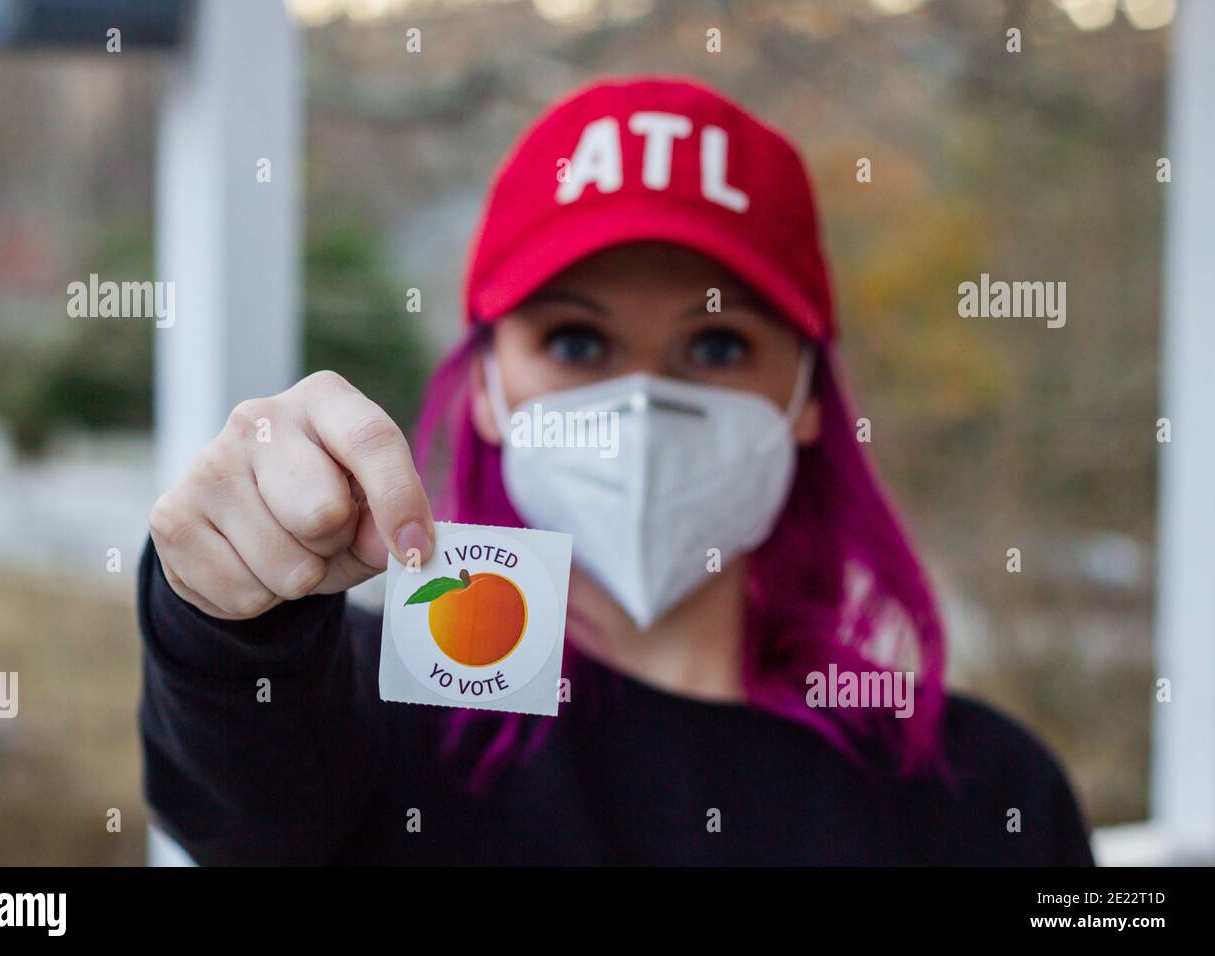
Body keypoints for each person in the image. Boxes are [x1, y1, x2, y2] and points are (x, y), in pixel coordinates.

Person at [138, 76, 1094, 865]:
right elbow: (239, 791)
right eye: (577, 340)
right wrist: (227, 609)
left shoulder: (990, 795)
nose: (642, 403)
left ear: (806, 398)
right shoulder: (370, 718)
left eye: (716, 347)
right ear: (485, 389)